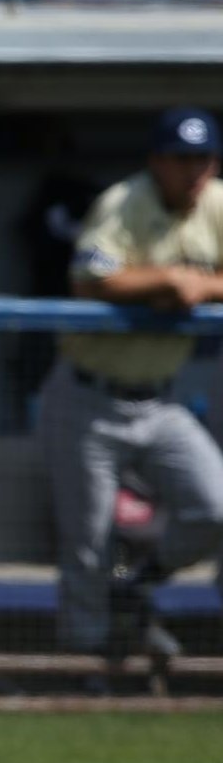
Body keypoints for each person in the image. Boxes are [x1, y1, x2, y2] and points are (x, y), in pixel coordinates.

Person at [39, 105, 223, 690]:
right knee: (88, 543)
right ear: (156, 161)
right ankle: (85, 669)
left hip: (160, 401)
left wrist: (203, 286)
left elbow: (198, 284)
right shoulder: (123, 203)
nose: (193, 170)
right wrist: (165, 281)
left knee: (215, 507)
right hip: (88, 396)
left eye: (202, 158)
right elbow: (89, 279)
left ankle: (141, 580)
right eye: (180, 158)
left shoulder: (217, 205)